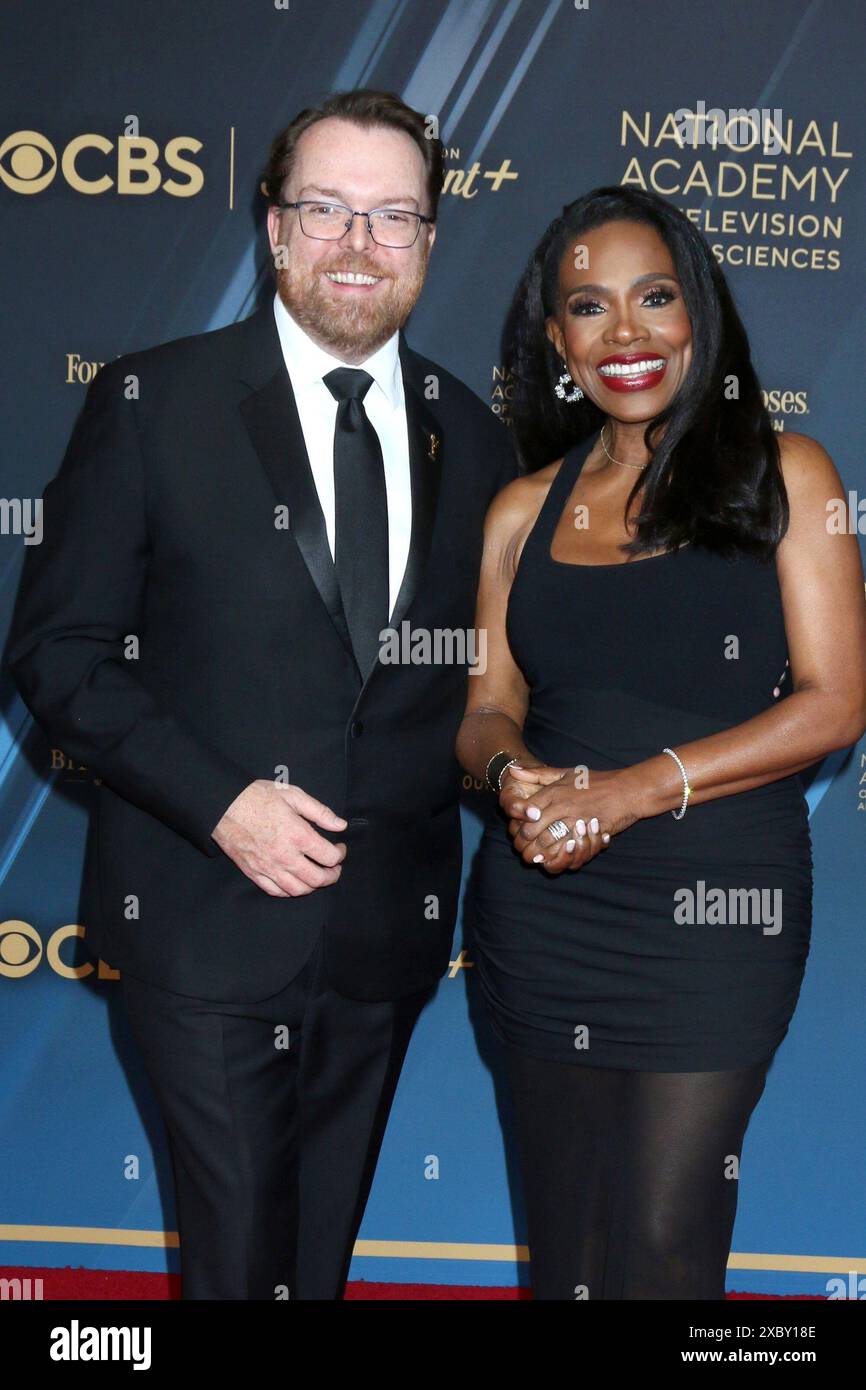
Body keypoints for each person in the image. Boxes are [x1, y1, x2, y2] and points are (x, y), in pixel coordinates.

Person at [7, 89, 517, 1300]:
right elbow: (59, 647)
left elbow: (480, 680)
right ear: (274, 228)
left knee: (312, 1265)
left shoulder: (477, 439)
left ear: (430, 241)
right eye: (328, 209)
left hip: (382, 935)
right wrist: (222, 801)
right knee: (237, 1264)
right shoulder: (154, 403)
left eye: (393, 217)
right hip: (197, 915)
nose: (359, 243)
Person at [456, 186, 866, 1300]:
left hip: (714, 910)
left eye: (652, 298)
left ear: (699, 314)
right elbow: (483, 702)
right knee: (569, 1252)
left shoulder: (788, 475)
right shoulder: (518, 510)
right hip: (546, 908)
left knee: (663, 1242)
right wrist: (510, 774)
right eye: (587, 307)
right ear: (555, 341)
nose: (624, 333)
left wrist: (632, 791)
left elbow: (835, 704)